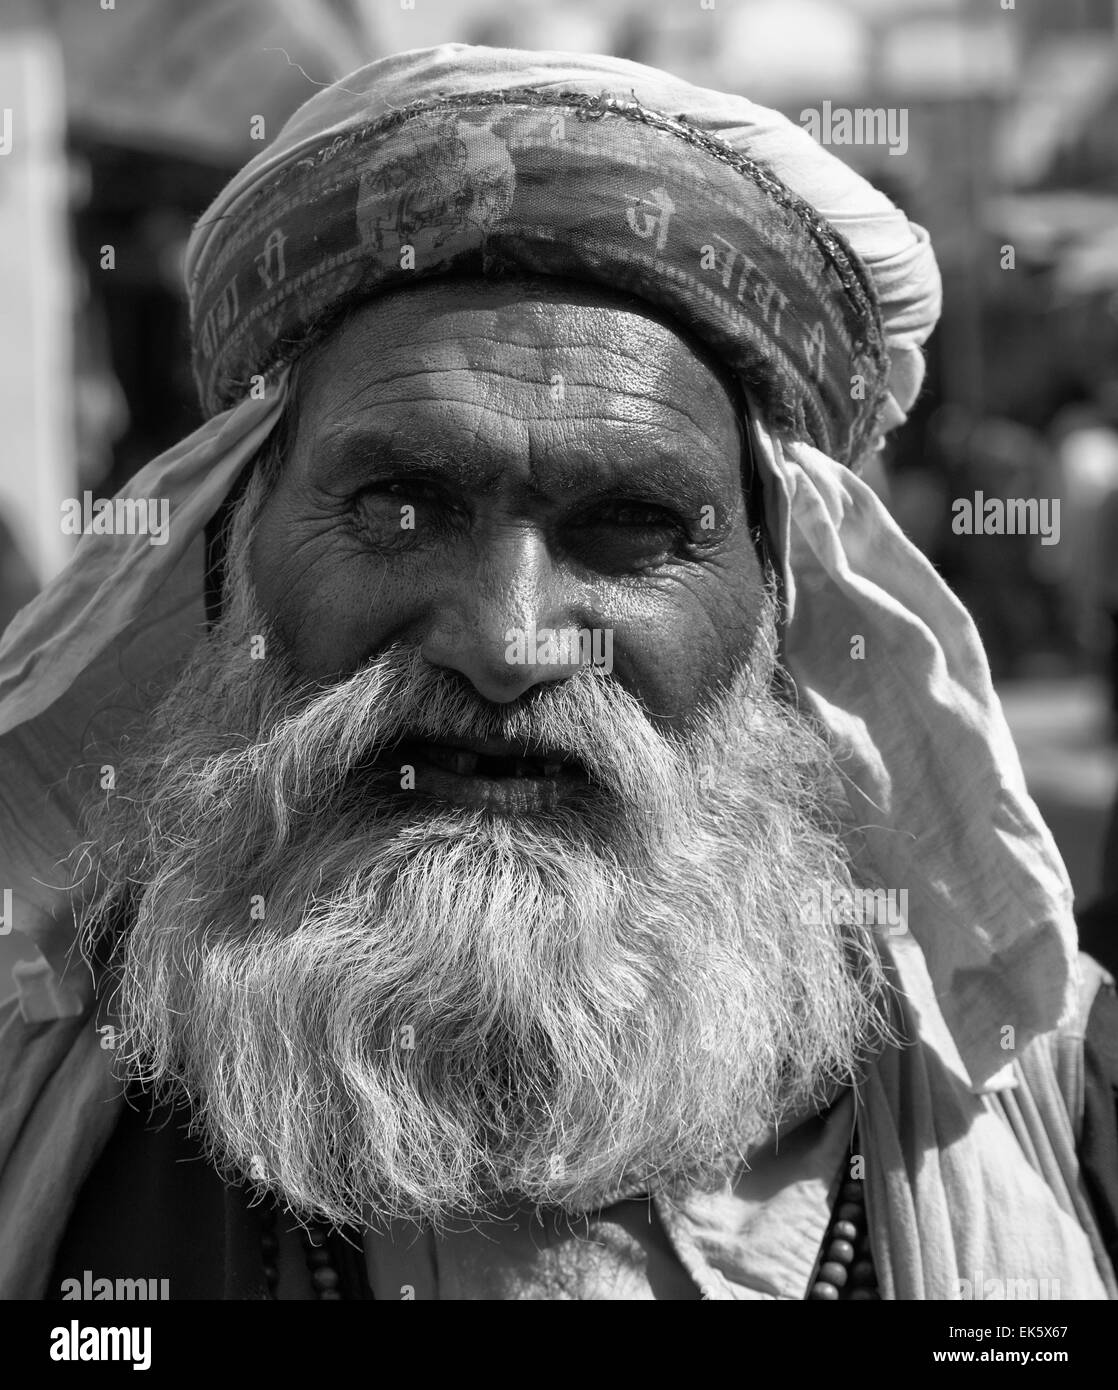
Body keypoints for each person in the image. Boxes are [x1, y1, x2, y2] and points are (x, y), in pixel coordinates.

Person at [1, 44, 1115, 1302]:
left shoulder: (1076, 1107)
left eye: (632, 524)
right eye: (400, 503)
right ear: (234, 560)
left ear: (781, 603)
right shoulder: (44, 1092)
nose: (508, 637)